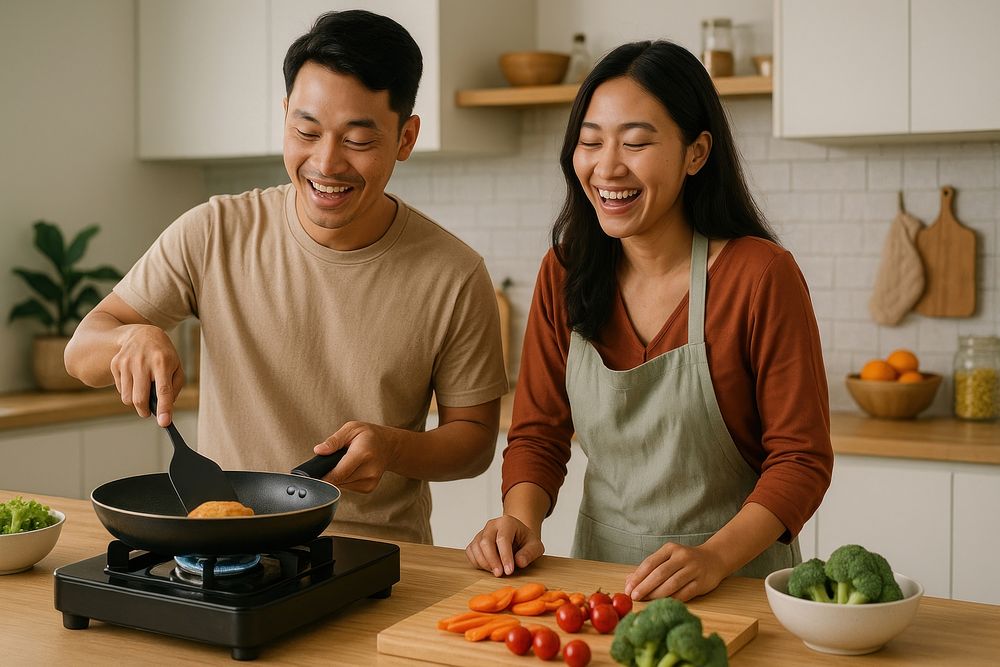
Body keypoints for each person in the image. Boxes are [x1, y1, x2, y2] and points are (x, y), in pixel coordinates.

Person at [64, 10, 508, 544]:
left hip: (377, 557)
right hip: (227, 543)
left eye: (358, 140)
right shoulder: (215, 231)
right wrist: (130, 335)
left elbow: (475, 440)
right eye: (306, 130)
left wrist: (393, 448)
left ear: (406, 137)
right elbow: (81, 352)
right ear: (285, 118)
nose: (326, 162)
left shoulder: (454, 274)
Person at [466, 40, 833, 601]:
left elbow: (800, 460)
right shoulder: (565, 272)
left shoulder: (760, 275)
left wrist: (714, 559)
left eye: (636, 142)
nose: (607, 166)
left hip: (737, 583)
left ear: (696, 153)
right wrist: (521, 518)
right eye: (590, 142)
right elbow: (539, 434)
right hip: (601, 586)